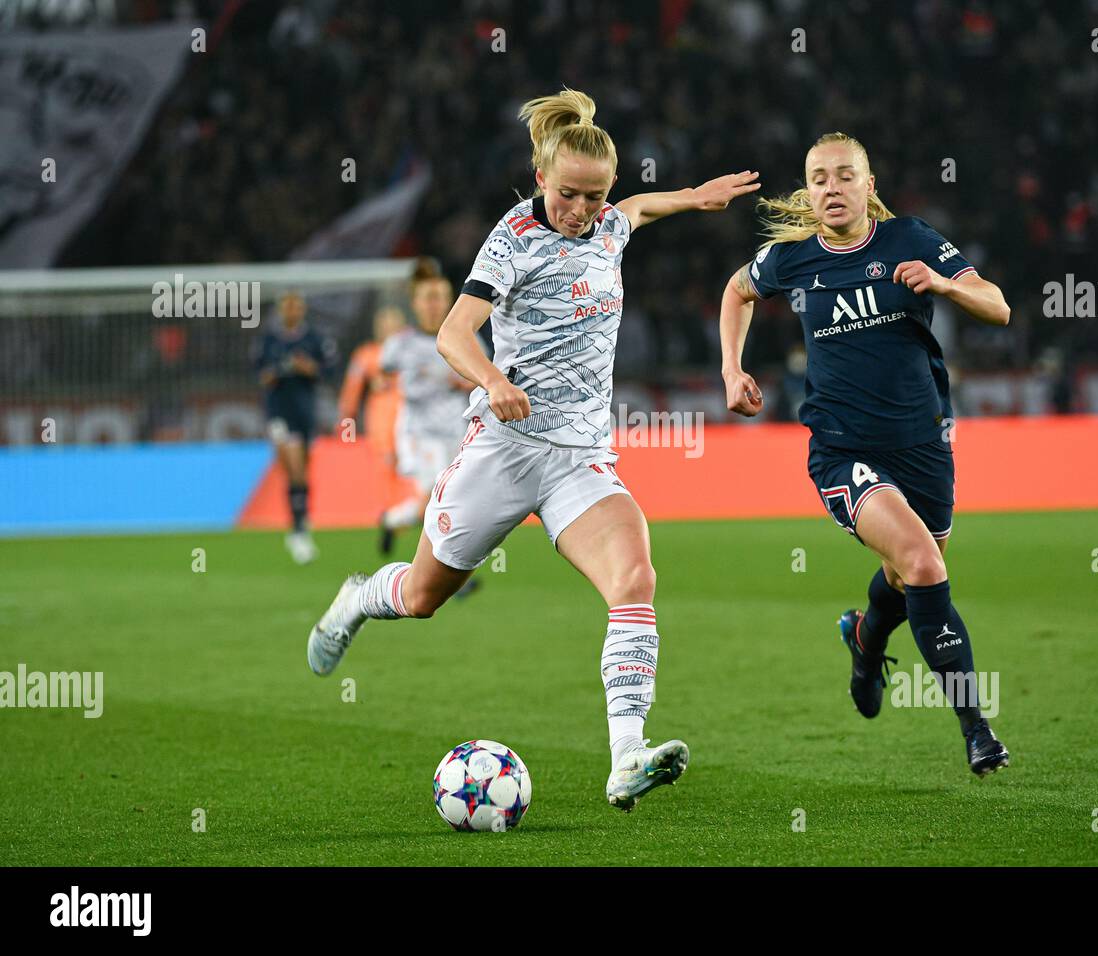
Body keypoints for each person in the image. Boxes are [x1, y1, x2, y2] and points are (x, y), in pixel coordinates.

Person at [306, 88, 760, 811]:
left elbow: (639, 210)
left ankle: (625, 757)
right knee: (423, 598)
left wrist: (693, 197)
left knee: (634, 578)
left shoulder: (611, 221)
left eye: (596, 196)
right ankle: (358, 598)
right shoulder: (513, 238)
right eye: (570, 195)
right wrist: (491, 377)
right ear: (541, 177)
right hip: (504, 448)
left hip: (579, 458)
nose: (583, 211)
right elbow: (454, 332)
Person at [717, 132, 1013, 775]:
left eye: (844, 175)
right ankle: (977, 731)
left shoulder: (910, 240)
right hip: (843, 451)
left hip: (924, 444)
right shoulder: (791, 258)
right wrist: (731, 368)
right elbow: (736, 291)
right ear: (809, 190)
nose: (831, 187)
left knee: (909, 578)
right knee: (923, 566)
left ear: (868, 186)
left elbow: (999, 305)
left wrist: (943, 283)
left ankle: (866, 635)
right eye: (819, 178)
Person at [376, 259, 477, 560]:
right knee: (437, 497)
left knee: (449, 500)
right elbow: (382, 375)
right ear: (416, 304)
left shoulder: (463, 339)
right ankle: (446, 567)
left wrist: (468, 383)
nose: (434, 305)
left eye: (440, 298)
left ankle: (392, 520)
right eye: (428, 299)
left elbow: (484, 379)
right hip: (419, 433)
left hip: (455, 432)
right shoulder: (400, 344)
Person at [253, 291, 337, 564]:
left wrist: (307, 368)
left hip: (305, 413)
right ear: (280, 310)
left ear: (302, 309)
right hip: (279, 412)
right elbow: (260, 375)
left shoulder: (314, 339)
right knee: (294, 466)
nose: (292, 310)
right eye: (287, 306)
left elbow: (328, 372)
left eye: (296, 305)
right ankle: (299, 529)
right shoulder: (268, 341)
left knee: (301, 470)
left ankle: (300, 518)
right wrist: (280, 370)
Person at [337, 306, 407, 519]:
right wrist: (347, 420)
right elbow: (352, 388)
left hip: (412, 413)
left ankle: (414, 508)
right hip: (382, 414)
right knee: (386, 459)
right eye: (384, 326)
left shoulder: (412, 351)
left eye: (393, 326)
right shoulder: (366, 355)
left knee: (410, 460)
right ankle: (390, 508)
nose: (388, 330)